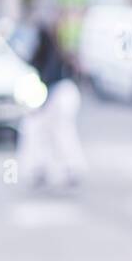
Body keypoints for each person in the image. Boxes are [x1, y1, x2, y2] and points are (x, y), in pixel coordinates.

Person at [17, 21, 87, 190]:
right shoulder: (57, 51)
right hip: (64, 94)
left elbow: (49, 78)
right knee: (51, 131)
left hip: (60, 95)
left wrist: (39, 107)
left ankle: (60, 168)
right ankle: (50, 167)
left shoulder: (51, 53)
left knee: (51, 130)